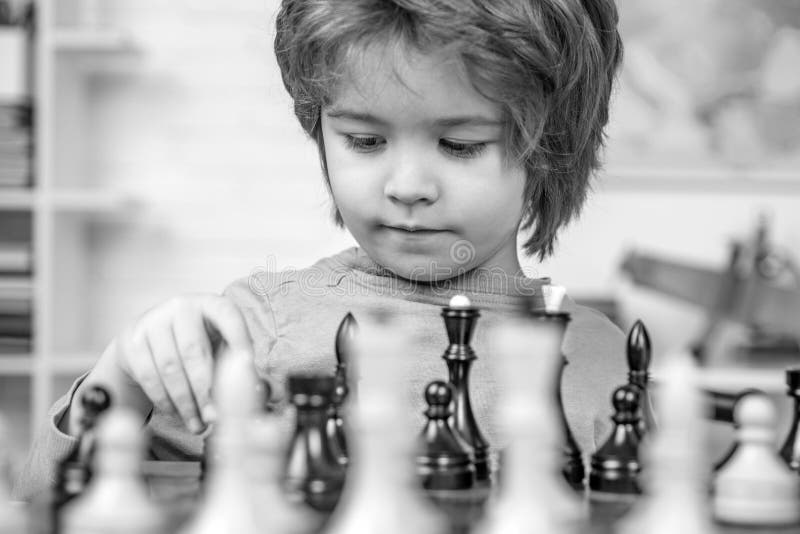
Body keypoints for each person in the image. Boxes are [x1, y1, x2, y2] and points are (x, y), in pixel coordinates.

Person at [15, 0, 624, 499]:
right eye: (364, 140)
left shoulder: (608, 362)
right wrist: (121, 375)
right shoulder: (253, 328)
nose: (407, 186)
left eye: (460, 145)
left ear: (553, 148)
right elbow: (41, 500)